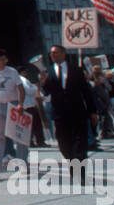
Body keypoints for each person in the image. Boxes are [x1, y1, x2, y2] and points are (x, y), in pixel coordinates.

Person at [43, 46, 97, 174]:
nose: (52, 55)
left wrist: (92, 111)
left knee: (80, 142)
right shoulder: (49, 71)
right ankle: (72, 160)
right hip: (59, 114)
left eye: (55, 53)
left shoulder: (76, 70)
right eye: (51, 53)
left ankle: (80, 172)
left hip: (77, 111)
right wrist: (44, 82)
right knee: (63, 143)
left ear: (63, 54)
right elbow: (46, 92)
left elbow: (86, 92)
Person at [0, 49, 25, 179]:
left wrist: (20, 104)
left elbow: (20, 89)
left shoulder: (12, 72)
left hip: (12, 105)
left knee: (17, 136)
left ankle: (22, 162)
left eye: (5, 59)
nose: (5, 61)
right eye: (2, 59)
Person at [18, 65, 48, 147]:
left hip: (27, 104)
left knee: (30, 125)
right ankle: (39, 141)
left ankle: (32, 141)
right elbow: (29, 91)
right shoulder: (23, 80)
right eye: (24, 72)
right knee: (36, 124)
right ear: (21, 72)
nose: (26, 73)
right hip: (29, 105)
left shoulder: (20, 80)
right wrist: (35, 87)